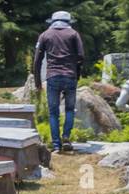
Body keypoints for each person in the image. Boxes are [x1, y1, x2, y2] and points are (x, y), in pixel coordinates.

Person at [33, 11, 84, 154]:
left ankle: (56, 145)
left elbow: (37, 60)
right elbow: (80, 56)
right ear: (69, 22)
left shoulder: (45, 35)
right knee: (69, 109)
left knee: (53, 113)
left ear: (52, 21)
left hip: (52, 77)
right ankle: (66, 136)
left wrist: (37, 81)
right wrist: (77, 74)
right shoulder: (74, 34)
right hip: (70, 76)